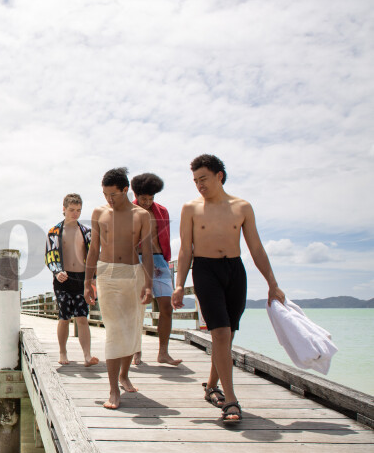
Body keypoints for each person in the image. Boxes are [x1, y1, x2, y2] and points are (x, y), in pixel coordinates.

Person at [172, 154, 285, 424]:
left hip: (235, 270)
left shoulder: (242, 207)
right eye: (195, 181)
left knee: (228, 334)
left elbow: (255, 247)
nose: (199, 185)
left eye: (204, 179)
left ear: (219, 175)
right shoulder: (191, 208)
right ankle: (231, 401)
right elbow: (186, 249)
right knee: (220, 332)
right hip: (205, 270)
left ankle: (211, 386)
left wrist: (273, 284)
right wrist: (179, 285)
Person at [84, 169, 154, 410]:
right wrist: (87, 281)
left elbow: (147, 252)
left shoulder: (142, 215)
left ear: (126, 190)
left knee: (131, 327)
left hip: (133, 273)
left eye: (113, 194)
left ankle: (124, 374)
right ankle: (113, 389)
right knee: (114, 330)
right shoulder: (99, 213)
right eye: (104, 194)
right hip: (107, 273)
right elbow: (93, 249)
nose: (108, 200)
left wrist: (149, 283)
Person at [130, 173, 182, 367]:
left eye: (151, 198)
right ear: (136, 194)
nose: (147, 202)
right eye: (144, 198)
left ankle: (163, 352)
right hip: (137, 260)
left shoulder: (161, 211)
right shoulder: (129, 211)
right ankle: (136, 351)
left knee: (166, 307)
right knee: (137, 309)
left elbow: (164, 238)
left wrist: (166, 258)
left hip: (159, 261)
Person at [45, 194, 99, 366]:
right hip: (63, 279)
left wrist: (93, 281)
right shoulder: (54, 232)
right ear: (64, 209)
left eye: (78, 210)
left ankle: (87, 356)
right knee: (64, 317)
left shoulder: (87, 232)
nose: (75, 214)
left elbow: (93, 257)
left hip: (82, 278)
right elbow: (49, 255)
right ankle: (63, 352)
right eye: (71, 210)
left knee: (83, 317)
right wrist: (56, 271)